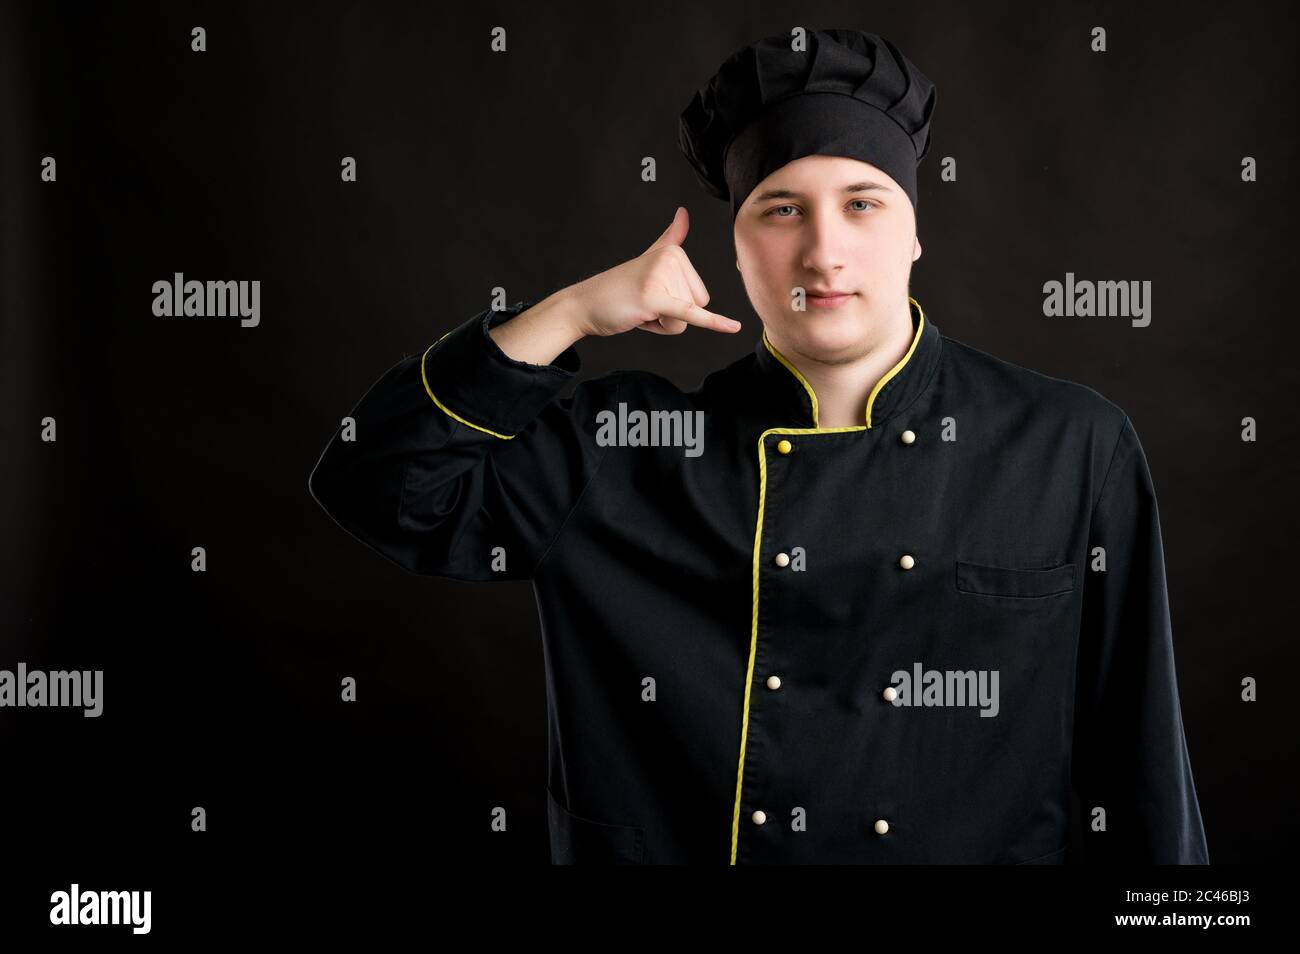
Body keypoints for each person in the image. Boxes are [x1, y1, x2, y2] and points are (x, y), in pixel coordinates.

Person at [308, 29, 1209, 864]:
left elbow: (1142, 767)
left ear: (916, 231)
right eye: (781, 210)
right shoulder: (623, 451)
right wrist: (570, 313)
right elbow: (378, 482)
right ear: (738, 251)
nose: (824, 252)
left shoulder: (1069, 443)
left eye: (864, 203)